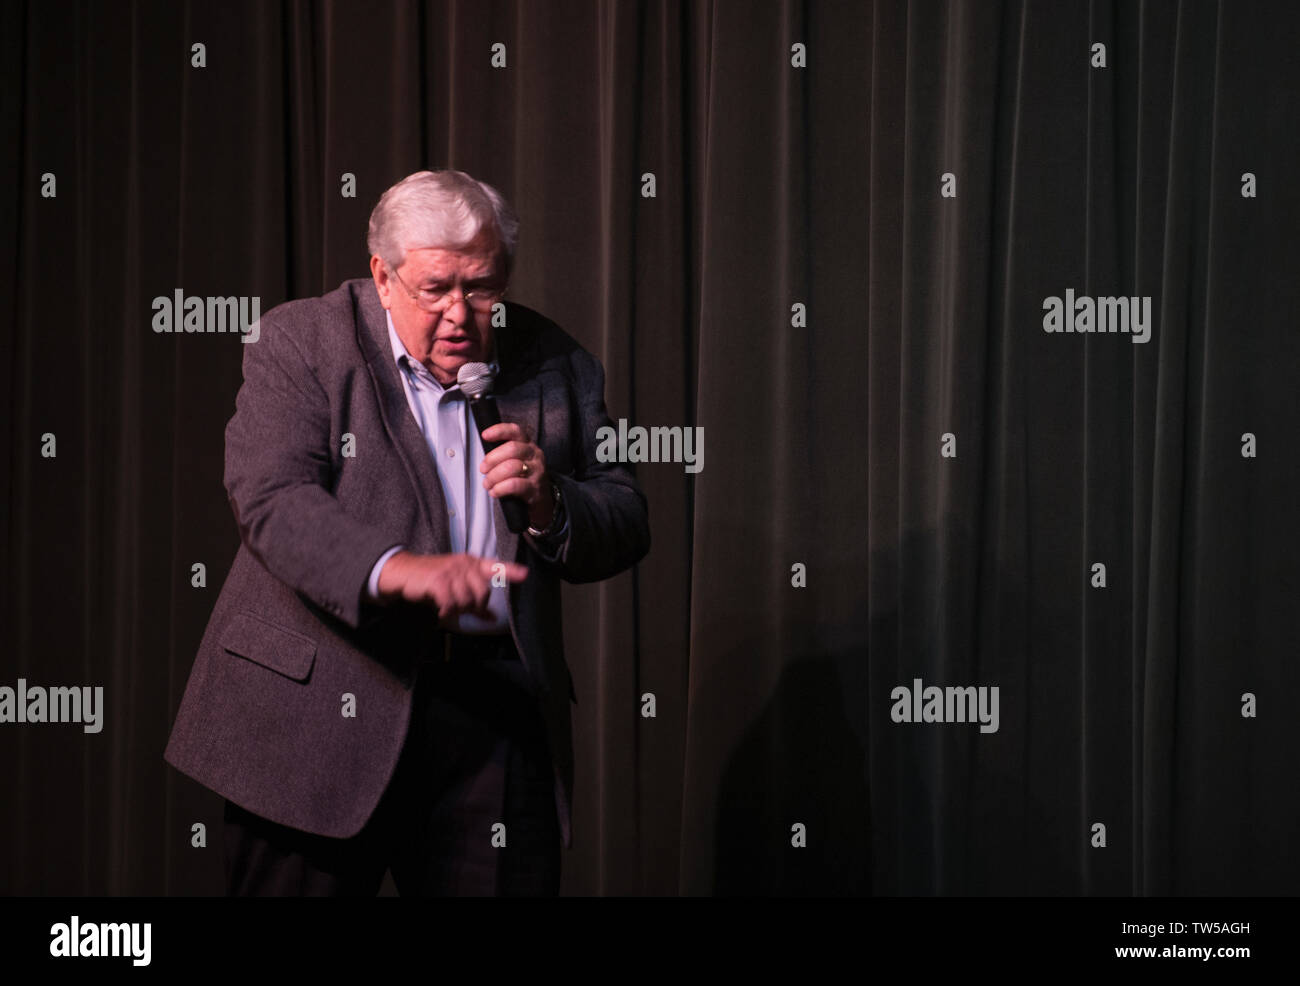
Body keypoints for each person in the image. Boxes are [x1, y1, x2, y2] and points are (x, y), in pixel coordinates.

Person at [164, 169, 650, 895]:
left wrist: (552, 502)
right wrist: (396, 570)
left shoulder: (558, 363)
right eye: (436, 288)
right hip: (320, 702)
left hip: (494, 714)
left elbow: (626, 514)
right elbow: (272, 496)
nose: (460, 314)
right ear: (382, 277)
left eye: (482, 288)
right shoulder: (303, 342)